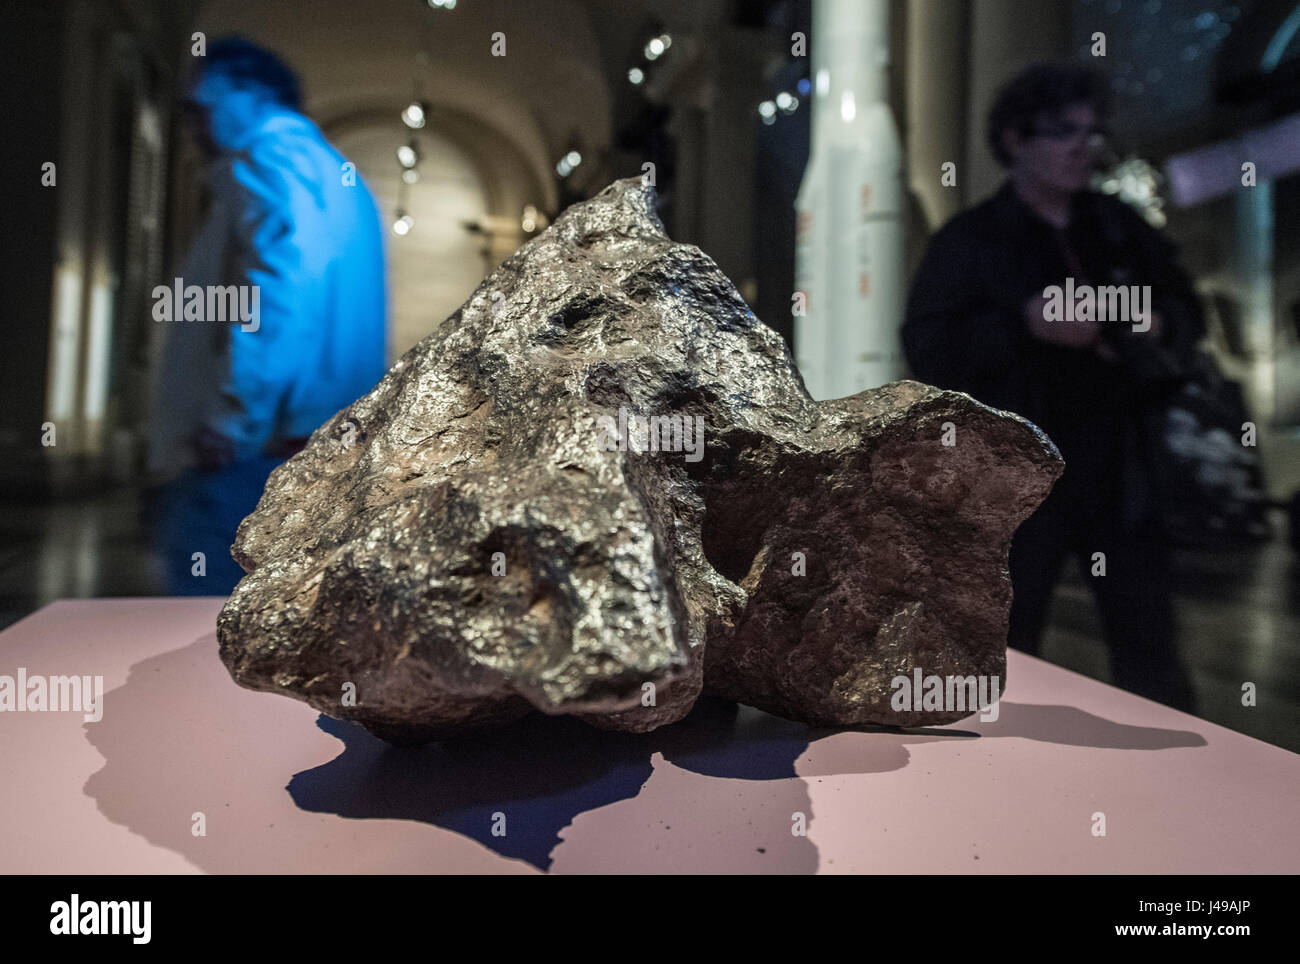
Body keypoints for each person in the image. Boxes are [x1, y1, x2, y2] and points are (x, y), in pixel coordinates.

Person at [902, 63, 1200, 712]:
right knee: (1005, 643)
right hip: (1015, 484)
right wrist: (1025, 325)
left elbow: (1185, 313)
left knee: (1152, 652)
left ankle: (1177, 791)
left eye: (1090, 133)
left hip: (1122, 472)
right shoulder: (971, 241)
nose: (1082, 147)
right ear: (1015, 140)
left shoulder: (1119, 227)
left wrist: (1152, 321)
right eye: (1064, 132)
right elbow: (928, 346)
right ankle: (992, 790)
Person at [147, 36, 387, 595]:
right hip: (297, 447)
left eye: (199, 105)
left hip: (247, 456)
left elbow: (278, 290)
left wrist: (231, 418)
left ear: (248, 95)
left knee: (202, 628)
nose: (193, 124)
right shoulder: (330, 170)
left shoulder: (268, 159)